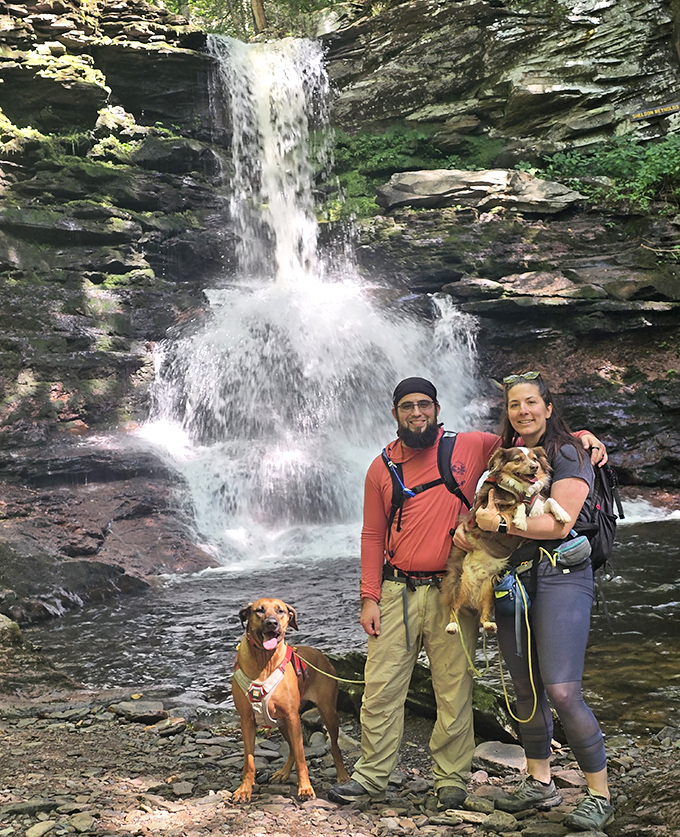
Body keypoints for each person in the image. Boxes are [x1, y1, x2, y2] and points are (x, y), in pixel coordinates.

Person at [328, 376, 605, 810]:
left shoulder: (473, 446)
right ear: (395, 413)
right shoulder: (380, 467)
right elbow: (370, 534)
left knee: (454, 690)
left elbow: (530, 441)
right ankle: (370, 776)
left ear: (438, 409)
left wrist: (581, 437)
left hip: (454, 583)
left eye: (424, 404)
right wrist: (368, 595)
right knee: (380, 687)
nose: (416, 412)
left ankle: (451, 781)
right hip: (397, 587)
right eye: (406, 406)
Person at [473, 370, 614, 832]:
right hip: (513, 577)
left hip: (562, 575)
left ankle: (598, 793)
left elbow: (559, 523)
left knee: (562, 689)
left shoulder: (571, 451)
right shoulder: (502, 456)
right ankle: (539, 780)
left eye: (532, 402)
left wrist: (497, 526)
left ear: (548, 408)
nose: (524, 411)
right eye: (515, 405)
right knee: (526, 688)